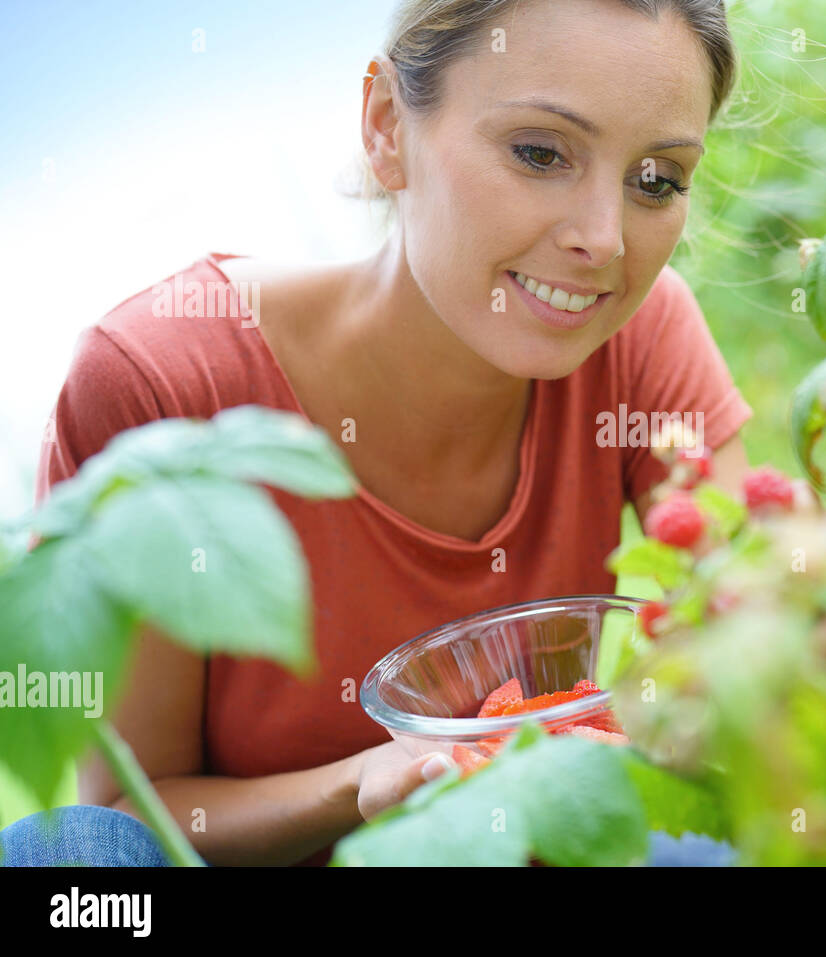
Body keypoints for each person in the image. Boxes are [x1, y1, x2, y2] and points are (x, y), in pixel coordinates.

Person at [1, 0, 752, 867]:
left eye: (656, 179)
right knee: (68, 854)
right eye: (540, 152)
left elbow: (745, 608)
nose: (604, 239)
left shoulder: (642, 335)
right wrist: (366, 781)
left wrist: (803, 631)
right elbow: (145, 814)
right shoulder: (160, 380)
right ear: (388, 125)